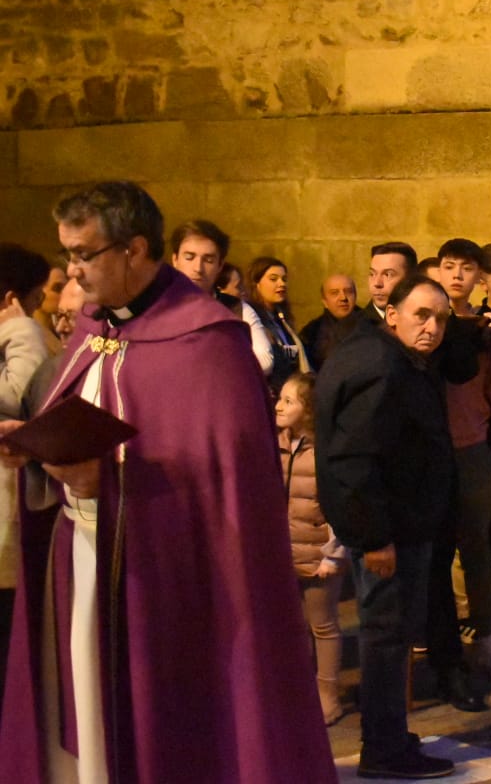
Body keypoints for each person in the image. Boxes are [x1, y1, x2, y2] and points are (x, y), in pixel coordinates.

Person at [0, 181, 334, 783]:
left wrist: (107, 478)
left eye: (83, 254)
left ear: (133, 250)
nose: (71, 272)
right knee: (82, 702)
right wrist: (33, 447)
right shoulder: (93, 327)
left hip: (170, 583)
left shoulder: (207, 342)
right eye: (67, 255)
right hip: (82, 562)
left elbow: (224, 484)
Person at [316, 273, 460, 779]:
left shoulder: (383, 355)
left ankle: (389, 735)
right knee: (385, 638)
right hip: (388, 532)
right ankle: (384, 749)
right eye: (422, 315)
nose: (432, 327)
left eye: (441, 318)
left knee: (391, 636)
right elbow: (354, 458)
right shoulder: (382, 366)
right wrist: (375, 536)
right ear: (392, 313)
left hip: (400, 525)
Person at [436, 238, 491, 680]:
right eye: (448, 266)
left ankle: (486, 637)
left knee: (477, 549)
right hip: (430, 451)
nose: (456, 276)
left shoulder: (485, 327)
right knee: (432, 552)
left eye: (465, 269)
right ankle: (439, 644)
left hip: (472, 447)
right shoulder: (428, 320)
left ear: (478, 278)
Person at [277, 371, 349, 724]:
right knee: (294, 626)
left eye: (288, 401)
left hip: (319, 553)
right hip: (286, 552)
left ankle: (328, 694)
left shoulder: (325, 451)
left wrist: (333, 554)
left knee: (323, 625)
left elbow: (339, 506)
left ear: (308, 410)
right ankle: (301, 690)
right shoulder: (275, 444)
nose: (279, 406)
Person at [0, 244, 52, 717]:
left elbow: (18, 397)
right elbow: (17, 394)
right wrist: (21, 326)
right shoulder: (19, 328)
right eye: (40, 297)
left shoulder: (17, 333)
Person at [244, 255, 308, 395]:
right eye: (273, 279)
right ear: (257, 283)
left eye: (284, 279)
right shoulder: (252, 319)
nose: (282, 284)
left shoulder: (282, 318)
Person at [299, 272, 362, 372]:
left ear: (355, 296)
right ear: (324, 301)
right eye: (335, 293)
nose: (343, 298)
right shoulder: (311, 333)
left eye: (348, 291)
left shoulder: (371, 325)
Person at [168, 218, 230, 297]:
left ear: (220, 265)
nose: (198, 268)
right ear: (175, 260)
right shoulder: (154, 306)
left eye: (208, 260)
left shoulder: (238, 308)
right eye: (189, 257)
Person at [365, 242, 418, 323]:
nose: (377, 283)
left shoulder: (429, 325)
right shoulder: (351, 331)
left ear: (410, 279)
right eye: (372, 274)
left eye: (388, 275)